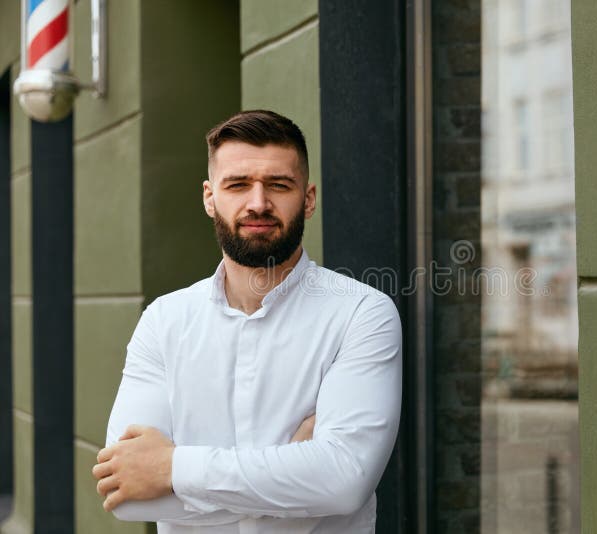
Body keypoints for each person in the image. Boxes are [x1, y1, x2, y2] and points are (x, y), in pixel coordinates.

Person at [91, 110, 402, 533]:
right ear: (209, 197)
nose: (258, 202)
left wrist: (171, 467)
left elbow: (343, 482)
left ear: (308, 199)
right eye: (237, 185)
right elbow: (127, 495)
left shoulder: (361, 314)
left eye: (279, 185)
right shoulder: (163, 321)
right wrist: (295, 480)